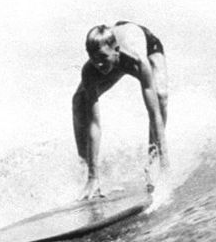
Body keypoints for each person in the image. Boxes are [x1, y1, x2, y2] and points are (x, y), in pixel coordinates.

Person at [72, 21, 169, 198]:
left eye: (102, 58)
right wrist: (93, 176)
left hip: (145, 44)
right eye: (93, 59)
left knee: (161, 95)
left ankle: (153, 159)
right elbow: (95, 123)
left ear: (116, 50)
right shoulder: (91, 69)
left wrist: (164, 165)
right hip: (116, 53)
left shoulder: (137, 61)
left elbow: (153, 113)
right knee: (79, 100)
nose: (99, 65)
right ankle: (87, 173)